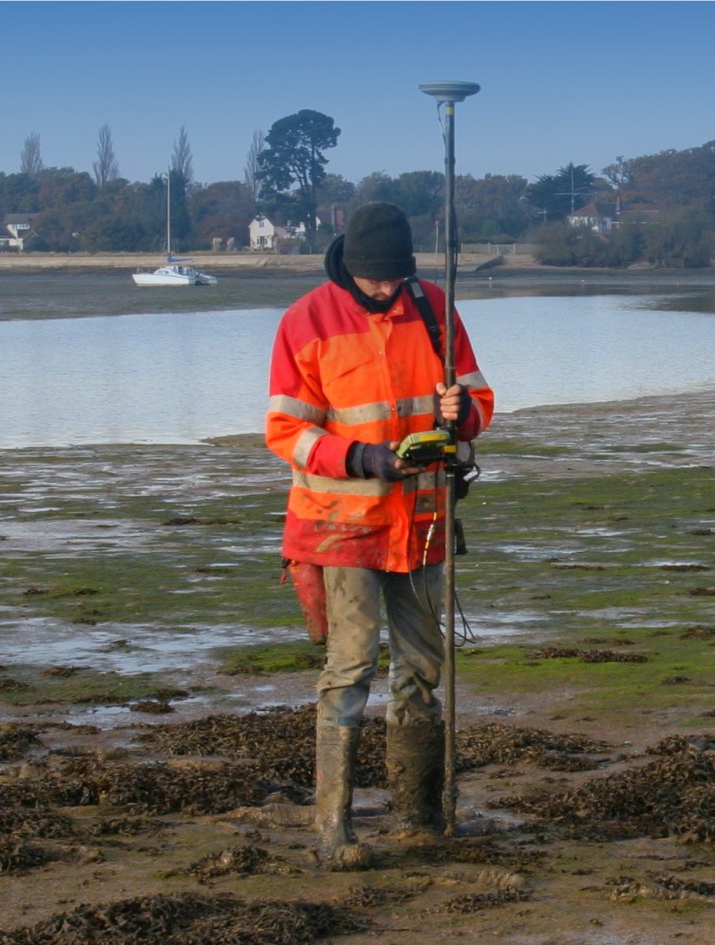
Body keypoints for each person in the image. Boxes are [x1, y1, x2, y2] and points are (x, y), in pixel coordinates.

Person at [265, 202, 493, 867]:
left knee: (423, 664)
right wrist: (362, 457)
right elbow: (284, 430)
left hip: (421, 521)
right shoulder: (304, 321)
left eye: (394, 278)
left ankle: (418, 815)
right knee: (351, 666)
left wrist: (462, 414)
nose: (385, 290)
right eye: (373, 280)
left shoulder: (433, 307)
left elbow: (478, 399)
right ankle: (334, 830)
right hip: (341, 526)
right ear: (348, 266)